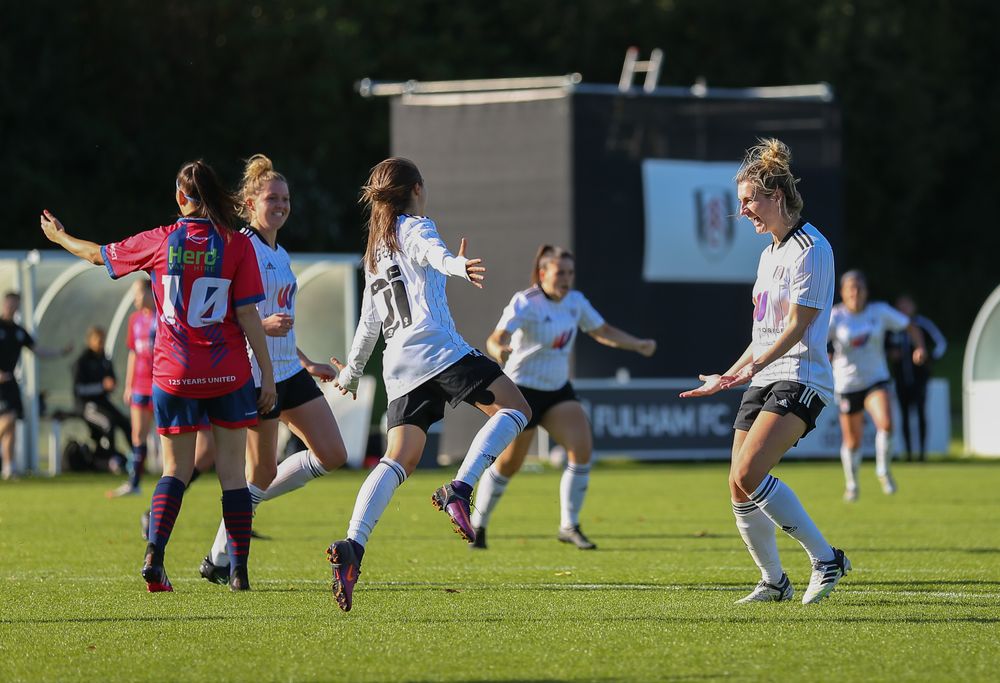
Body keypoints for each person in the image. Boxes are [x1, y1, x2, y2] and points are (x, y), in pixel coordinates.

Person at [40, 159, 276, 593]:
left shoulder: (161, 240)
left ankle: (154, 556)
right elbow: (247, 315)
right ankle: (239, 572)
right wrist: (268, 376)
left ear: (180, 197)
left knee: (174, 470)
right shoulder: (236, 243)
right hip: (227, 373)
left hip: (175, 374)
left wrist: (59, 236)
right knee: (232, 475)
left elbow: (96, 255)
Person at [326, 157, 531, 612]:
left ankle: (353, 545)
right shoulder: (415, 226)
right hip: (437, 349)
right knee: (517, 409)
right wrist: (457, 265)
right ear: (416, 188)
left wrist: (351, 373)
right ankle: (461, 487)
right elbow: (431, 252)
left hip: (399, 364)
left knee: (398, 458)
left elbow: (369, 323)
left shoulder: (375, 253)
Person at [680, 138, 851, 605]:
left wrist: (754, 365)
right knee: (737, 484)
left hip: (801, 376)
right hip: (765, 376)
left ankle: (827, 559)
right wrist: (729, 375)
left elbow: (798, 326)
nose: (742, 212)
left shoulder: (812, 248)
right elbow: (763, 333)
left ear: (775, 196)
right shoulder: (768, 254)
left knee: (750, 471)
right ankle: (774, 581)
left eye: (748, 201)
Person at [198, 154, 348, 584]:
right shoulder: (240, 246)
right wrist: (259, 326)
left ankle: (243, 513)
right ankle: (219, 555)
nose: (281, 205)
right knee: (260, 472)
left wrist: (307, 362)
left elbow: (280, 321)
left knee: (333, 455)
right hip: (255, 375)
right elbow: (216, 312)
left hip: (289, 371)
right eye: (272, 198)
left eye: (285, 198)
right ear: (250, 203)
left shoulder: (280, 253)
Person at [473, 245, 657, 550]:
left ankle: (569, 526)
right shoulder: (526, 301)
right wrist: (498, 350)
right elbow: (497, 337)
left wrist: (637, 344)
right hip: (522, 394)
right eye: (560, 273)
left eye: (570, 273)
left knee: (582, 450)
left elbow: (602, 330)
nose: (566, 279)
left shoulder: (575, 301)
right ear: (543, 273)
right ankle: (478, 525)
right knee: (508, 464)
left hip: (558, 391)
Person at [829, 271, 926, 501]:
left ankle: (883, 470)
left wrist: (920, 347)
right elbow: (814, 340)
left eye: (859, 288)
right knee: (852, 441)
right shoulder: (835, 316)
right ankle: (852, 484)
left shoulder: (879, 311)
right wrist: (824, 358)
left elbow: (910, 326)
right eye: (851, 288)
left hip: (875, 380)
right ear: (843, 292)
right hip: (847, 384)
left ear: (866, 291)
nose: (855, 292)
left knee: (887, 423)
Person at [0, 291, 72, 480]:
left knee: (12, 424)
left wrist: (61, 352)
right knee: (7, 420)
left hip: (9, 383)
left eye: (15, 304)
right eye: (9, 303)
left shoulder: (18, 331)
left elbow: (38, 350)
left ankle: (8, 468)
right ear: (4, 304)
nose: (12, 307)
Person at [108, 279, 158, 496]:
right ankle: (134, 482)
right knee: (138, 434)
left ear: (149, 291)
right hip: (140, 384)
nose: (134, 298)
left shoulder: (162, 316)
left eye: (137, 293)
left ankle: (170, 482)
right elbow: (133, 353)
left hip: (160, 384)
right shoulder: (134, 319)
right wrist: (129, 385)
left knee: (166, 434)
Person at [885, 295, 947, 461]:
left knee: (920, 413)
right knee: (904, 415)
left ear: (913, 306)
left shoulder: (922, 324)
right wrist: (890, 354)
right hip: (900, 379)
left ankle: (922, 454)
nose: (904, 309)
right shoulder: (893, 327)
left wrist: (928, 358)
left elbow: (941, 344)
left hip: (920, 379)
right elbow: (882, 347)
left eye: (907, 305)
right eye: (900, 306)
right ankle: (909, 454)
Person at [72, 325, 131, 472]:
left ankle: (137, 459)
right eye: (98, 340)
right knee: (107, 424)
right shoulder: (82, 361)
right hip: (87, 405)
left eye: (102, 340)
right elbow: (79, 389)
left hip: (103, 403)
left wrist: (111, 384)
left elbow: (111, 381)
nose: (101, 344)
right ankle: (110, 461)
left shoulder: (105, 359)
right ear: (90, 341)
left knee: (125, 422)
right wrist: (101, 386)